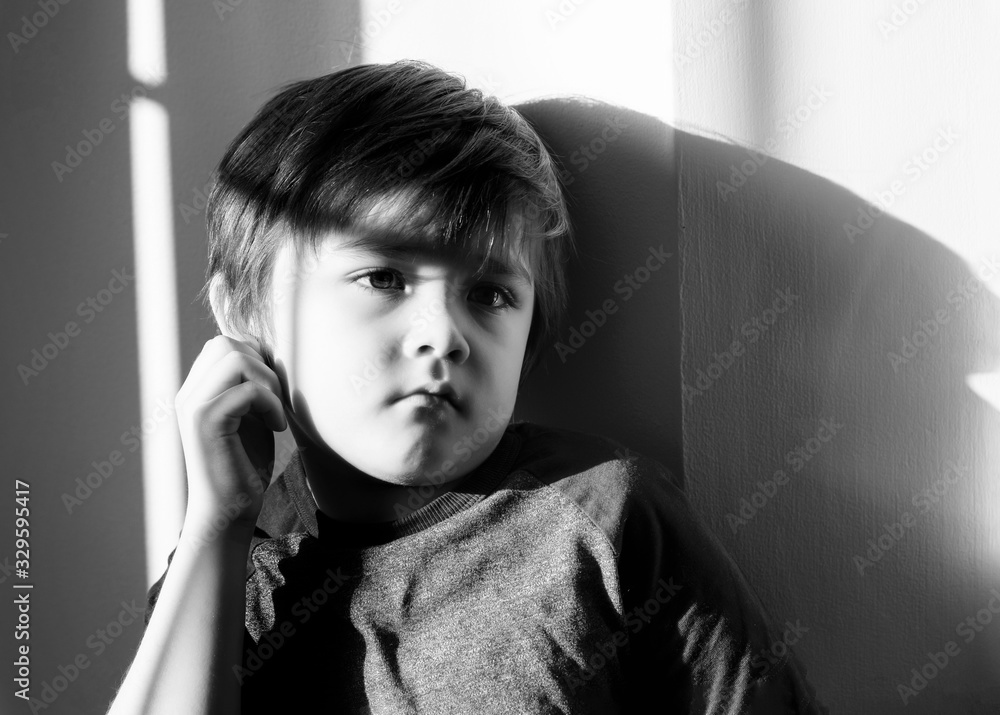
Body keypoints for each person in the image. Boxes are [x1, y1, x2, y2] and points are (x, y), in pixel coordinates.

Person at [107, 60, 825, 714]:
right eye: (382, 277)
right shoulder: (233, 571)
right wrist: (217, 522)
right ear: (245, 313)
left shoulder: (603, 519)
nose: (443, 333)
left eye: (489, 294)